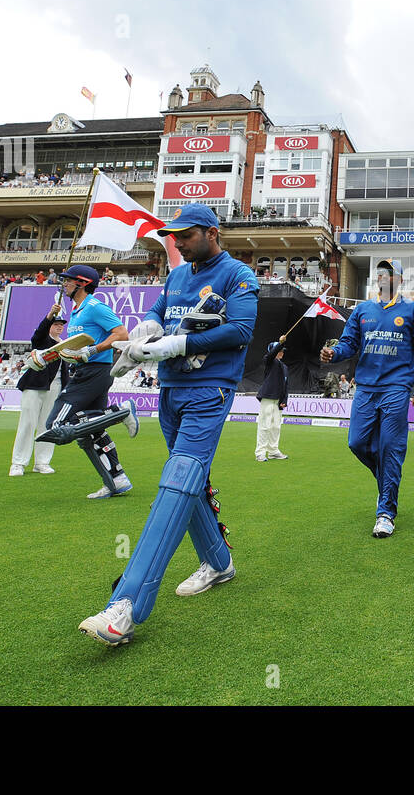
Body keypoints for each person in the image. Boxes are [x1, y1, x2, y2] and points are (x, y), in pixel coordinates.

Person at [78, 204, 258, 647]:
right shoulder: (178, 273)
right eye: (172, 234)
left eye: (186, 234)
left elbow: (240, 330)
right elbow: (160, 311)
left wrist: (173, 344)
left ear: (212, 233)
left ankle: (127, 606)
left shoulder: (238, 274)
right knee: (189, 481)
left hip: (209, 390)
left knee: (177, 481)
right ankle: (218, 562)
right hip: (171, 392)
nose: (175, 241)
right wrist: (143, 335)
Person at [320, 258, 414, 538]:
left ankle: (385, 513)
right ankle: (386, 483)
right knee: (356, 442)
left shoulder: (412, 311)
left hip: (396, 388)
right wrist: (335, 353)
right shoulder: (362, 310)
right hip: (366, 388)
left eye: (390, 273)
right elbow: (349, 343)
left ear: (400, 280)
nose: (383, 276)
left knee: (390, 448)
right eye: (380, 272)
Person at [33, 265, 139, 500]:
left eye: (68, 281)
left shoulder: (94, 307)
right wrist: (49, 355)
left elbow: (122, 334)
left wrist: (92, 350)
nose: (64, 284)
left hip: (94, 371)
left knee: (57, 425)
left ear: (81, 283)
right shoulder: (78, 310)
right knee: (91, 432)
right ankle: (116, 480)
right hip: (86, 370)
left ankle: (119, 412)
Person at [255, 339, 289, 462]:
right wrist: (280, 343)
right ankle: (260, 452)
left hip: (278, 400)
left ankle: (274, 451)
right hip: (268, 396)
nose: (282, 353)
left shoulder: (284, 367)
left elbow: (286, 384)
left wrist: (284, 399)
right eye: (280, 351)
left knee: (276, 426)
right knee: (265, 425)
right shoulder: (269, 361)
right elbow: (271, 355)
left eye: (282, 351)